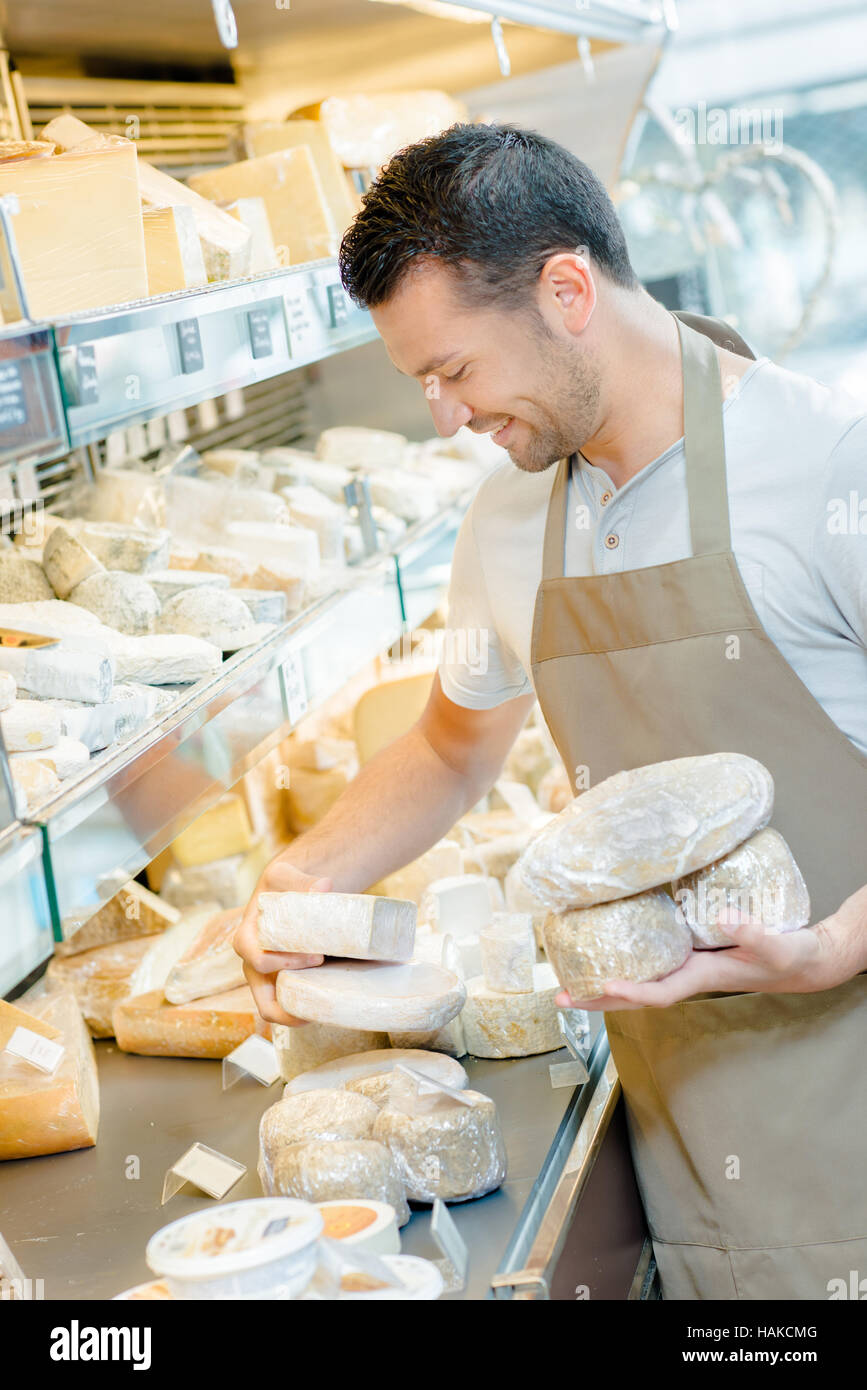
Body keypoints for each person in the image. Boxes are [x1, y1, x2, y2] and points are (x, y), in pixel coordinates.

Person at [235, 124, 867, 1300]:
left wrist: (831, 945)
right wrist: (305, 879)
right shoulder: (511, 523)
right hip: (701, 1165)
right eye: (419, 382)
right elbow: (447, 746)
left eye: (454, 370)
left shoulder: (829, 464)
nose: (444, 416)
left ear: (567, 289)